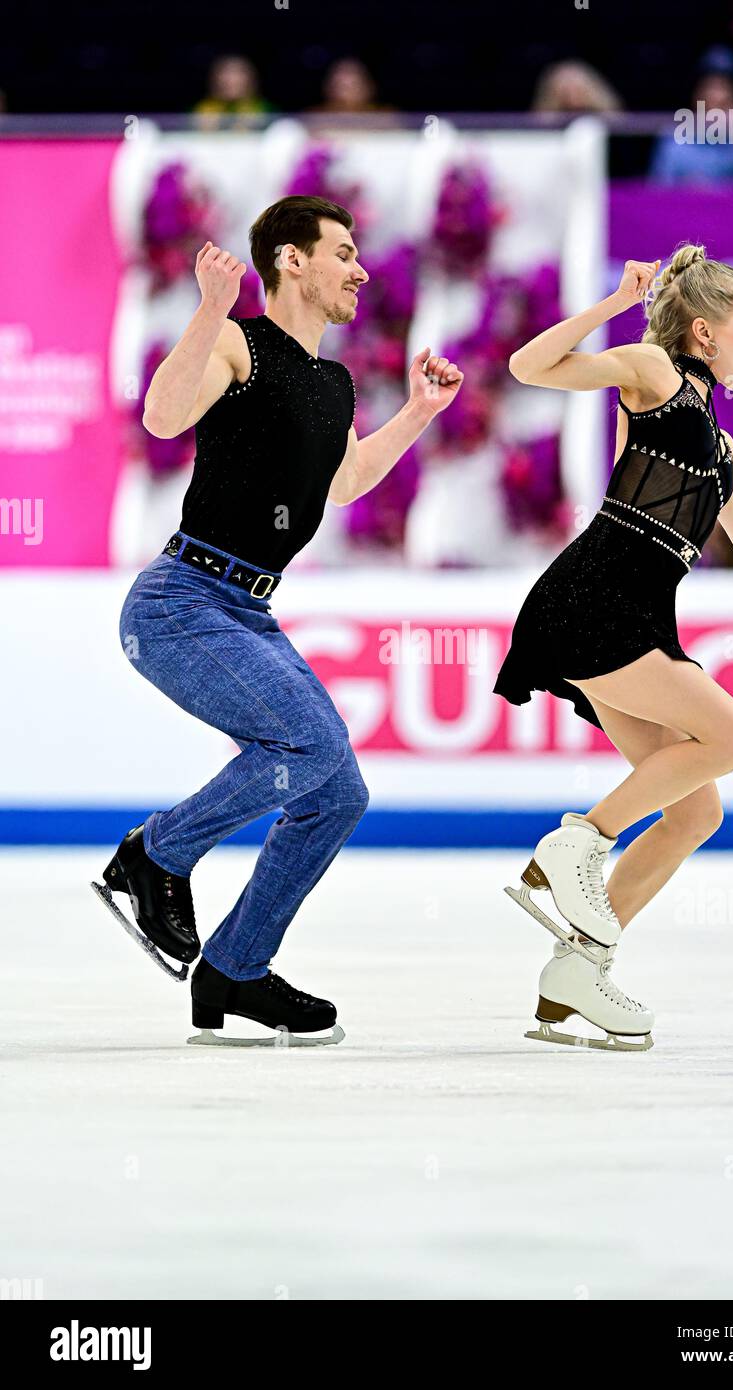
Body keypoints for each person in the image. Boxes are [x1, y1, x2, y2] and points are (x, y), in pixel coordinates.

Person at [93, 195, 463, 1045]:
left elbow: (344, 482)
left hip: (248, 609)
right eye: (343, 252)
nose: (361, 270)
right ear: (291, 261)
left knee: (339, 792)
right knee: (312, 748)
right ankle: (156, 855)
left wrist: (416, 414)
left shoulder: (333, 381)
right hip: (181, 602)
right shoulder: (238, 343)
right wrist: (210, 310)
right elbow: (160, 417)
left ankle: (235, 967)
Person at [495, 244, 733, 1050]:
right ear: (704, 331)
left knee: (696, 809)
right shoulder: (652, 373)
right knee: (732, 736)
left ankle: (579, 968)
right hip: (593, 602)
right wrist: (611, 302)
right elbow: (530, 366)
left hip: (632, 615)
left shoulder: (719, 439)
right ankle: (579, 843)